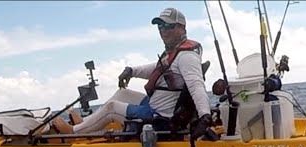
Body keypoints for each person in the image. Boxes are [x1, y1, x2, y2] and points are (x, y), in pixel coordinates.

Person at [65, 7, 213, 138]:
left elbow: (196, 86)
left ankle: (73, 131)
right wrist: (131, 71)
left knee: (112, 107)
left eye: (168, 26)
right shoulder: (175, 51)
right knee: (123, 93)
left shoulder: (186, 56)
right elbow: (156, 68)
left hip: (161, 118)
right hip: (154, 106)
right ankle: (84, 122)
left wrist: (205, 116)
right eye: (160, 26)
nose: (163, 31)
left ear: (182, 28)